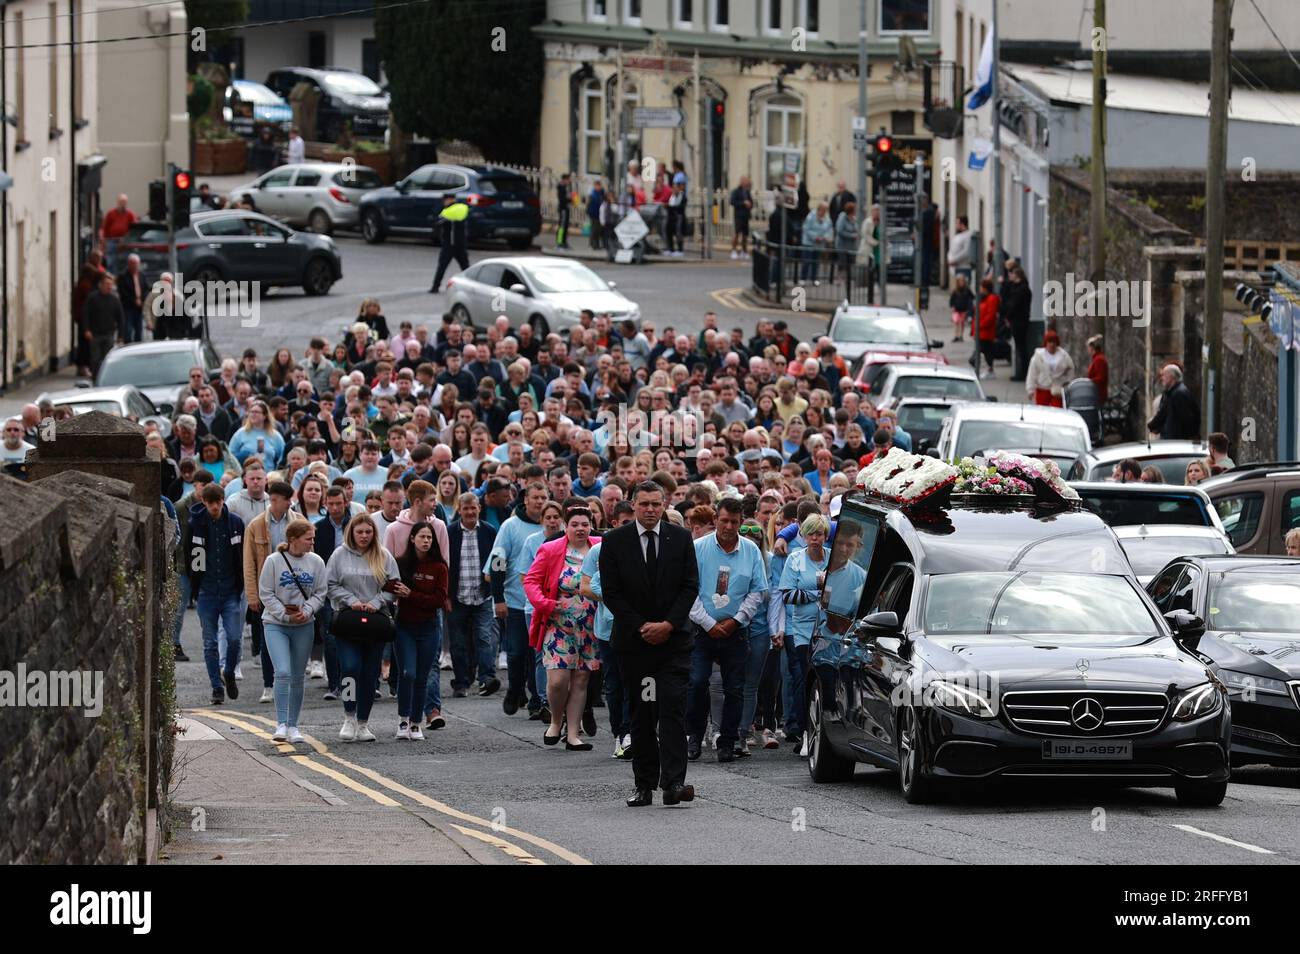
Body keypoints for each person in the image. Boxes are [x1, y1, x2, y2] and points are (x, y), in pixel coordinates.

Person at [598, 480, 700, 808]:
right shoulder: (614, 542)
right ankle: (644, 784)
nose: (651, 510)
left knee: (672, 708)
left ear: (664, 503)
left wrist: (668, 624)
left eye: (657, 504)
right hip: (636, 646)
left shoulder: (680, 538)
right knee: (643, 712)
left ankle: (673, 782)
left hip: (673, 644)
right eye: (645, 504)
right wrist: (643, 626)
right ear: (634, 504)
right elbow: (612, 593)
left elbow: (689, 586)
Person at [686, 497, 767, 763]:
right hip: (702, 628)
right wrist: (709, 623)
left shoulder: (751, 551)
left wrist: (736, 620)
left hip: (736, 629)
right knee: (697, 682)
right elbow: (688, 590)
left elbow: (758, 591)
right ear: (715, 520)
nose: (729, 526)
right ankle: (694, 736)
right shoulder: (698, 548)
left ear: (741, 522)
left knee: (735, 687)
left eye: (734, 521)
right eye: (724, 521)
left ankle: (728, 741)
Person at [525, 505, 601, 750]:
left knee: (580, 680)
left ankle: (573, 733)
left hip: (590, 625)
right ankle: (556, 721)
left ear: (591, 526)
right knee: (558, 681)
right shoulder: (550, 549)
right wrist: (545, 604)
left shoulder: (599, 547)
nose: (580, 529)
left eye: (584, 524)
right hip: (558, 625)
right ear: (565, 527)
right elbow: (531, 581)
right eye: (575, 524)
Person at [326, 514, 402, 742]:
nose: (364, 536)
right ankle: (349, 716)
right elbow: (330, 584)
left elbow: (393, 585)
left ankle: (363, 723)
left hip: (375, 621)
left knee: (370, 674)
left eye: (368, 532)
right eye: (359, 532)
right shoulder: (339, 555)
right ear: (352, 532)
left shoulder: (383, 555)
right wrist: (351, 600)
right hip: (348, 621)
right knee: (350, 668)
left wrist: (376, 602)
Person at [259, 519, 327, 743]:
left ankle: (293, 726)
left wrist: (307, 611)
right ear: (293, 540)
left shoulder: (316, 561)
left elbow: (320, 592)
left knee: (298, 676)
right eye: (309, 538)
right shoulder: (273, 561)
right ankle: (281, 723)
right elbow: (266, 593)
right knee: (283, 672)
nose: (312, 542)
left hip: (303, 625)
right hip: (275, 624)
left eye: (313, 538)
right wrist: (284, 613)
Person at [487, 481, 547, 717]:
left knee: (537, 654)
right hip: (514, 600)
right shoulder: (510, 527)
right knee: (516, 652)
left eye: (544, 497)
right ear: (526, 500)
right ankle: (514, 689)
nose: (540, 502)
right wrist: (498, 598)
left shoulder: (553, 526)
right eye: (536, 497)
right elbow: (497, 562)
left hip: (540, 604)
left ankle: (536, 700)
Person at [189, 484, 246, 705]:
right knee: (210, 643)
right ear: (204, 502)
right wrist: (197, 585)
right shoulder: (196, 525)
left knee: (234, 638)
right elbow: (192, 556)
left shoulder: (235, 524)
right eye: (210, 503)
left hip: (231, 590)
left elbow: (240, 555)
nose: (215, 507)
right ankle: (216, 686)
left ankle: (229, 671)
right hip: (207, 591)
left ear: (223, 500)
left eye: (218, 502)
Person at [777, 513, 829, 753]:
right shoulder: (795, 560)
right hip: (801, 630)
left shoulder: (833, 559)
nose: (815, 539)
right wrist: (814, 595)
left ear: (826, 536)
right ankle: (805, 731)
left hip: (829, 629)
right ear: (804, 536)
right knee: (802, 680)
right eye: (810, 534)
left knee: (825, 680)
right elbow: (787, 594)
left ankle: (825, 732)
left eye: (819, 534)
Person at [394, 523, 449, 740]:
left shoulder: (439, 567)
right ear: (412, 539)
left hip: (429, 627)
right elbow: (391, 588)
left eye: (429, 537)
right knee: (408, 672)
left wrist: (412, 595)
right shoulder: (401, 563)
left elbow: (439, 600)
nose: (426, 541)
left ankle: (416, 723)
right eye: (422, 537)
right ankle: (403, 720)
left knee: (422, 677)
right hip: (405, 626)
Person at [447, 491, 504, 698]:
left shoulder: (490, 532)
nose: (470, 512)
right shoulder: (450, 532)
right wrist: (446, 595)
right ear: (459, 510)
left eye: (473, 508)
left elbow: (499, 560)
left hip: (483, 595)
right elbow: (444, 564)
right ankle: (461, 682)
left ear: (479, 508)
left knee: (484, 637)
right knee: (458, 642)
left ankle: (487, 678)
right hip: (458, 595)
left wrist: (498, 589)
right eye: (466, 508)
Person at [84, 274, 124, 376]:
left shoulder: (114, 300)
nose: (109, 287)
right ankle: (95, 377)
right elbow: (86, 314)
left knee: (107, 358)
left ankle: (106, 377)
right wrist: (86, 329)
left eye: (111, 284)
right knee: (95, 359)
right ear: (100, 285)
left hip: (109, 333)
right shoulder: (92, 298)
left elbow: (120, 318)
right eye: (107, 284)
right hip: (95, 333)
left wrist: (120, 335)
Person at [1147, 364, 1200, 440]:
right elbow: (1162, 414)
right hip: (1171, 439)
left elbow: (1187, 419)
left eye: (1164, 375)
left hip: (1176, 440)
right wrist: (1153, 426)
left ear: (1171, 376)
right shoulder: (1172, 392)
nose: (1162, 378)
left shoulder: (1179, 393)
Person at [430, 195, 470, 292]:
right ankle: (471, 286)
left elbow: (437, 222)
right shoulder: (462, 208)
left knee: (442, 266)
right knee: (465, 267)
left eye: (445, 200)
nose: (444, 202)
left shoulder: (447, 211)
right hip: (461, 243)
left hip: (449, 244)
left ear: (450, 200)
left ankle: (435, 287)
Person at [1025, 330, 1074, 406]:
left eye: (1054, 342)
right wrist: (1030, 389)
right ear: (1046, 343)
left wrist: (1067, 383)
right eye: (1050, 342)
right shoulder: (1038, 357)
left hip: (1057, 389)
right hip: (1042, 389)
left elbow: (1071, 370)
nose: (1052, 344)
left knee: (1058, 411)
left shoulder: (1064, 356)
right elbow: (1032, 373)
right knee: (1042, 412)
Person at [1003, 266, 1033, 381]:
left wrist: (1008, 317)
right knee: (1020, 348)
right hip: (1020, 320)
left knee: (1021, 348)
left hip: (1019, 321)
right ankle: (1022, 372)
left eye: (1012, 274)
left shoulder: (1021, 290)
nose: (1010, 276)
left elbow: (1013, 305)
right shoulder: (1021, 288)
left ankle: (1023, 373)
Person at [100, 193, 136, 272]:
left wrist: (126, 240)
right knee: (111, 263)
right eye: (121, 202)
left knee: (124, 263)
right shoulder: (111, 213)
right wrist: (104, 242)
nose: (122, 204)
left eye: (124, 202)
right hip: (111, 241)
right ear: (117, 202)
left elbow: (133, 230)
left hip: (125, 243)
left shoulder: (130, 215)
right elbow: (105, 228)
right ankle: (111, 281)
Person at [117, 254, 147, 344]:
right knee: (128, 330)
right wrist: (134, 301)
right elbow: (123, 292)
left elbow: (146, 289)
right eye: (133, 264)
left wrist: (142, 300)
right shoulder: (123, 276)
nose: (135, 266)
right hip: (128, 307)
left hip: (139, 308)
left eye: (136, 264)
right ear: (129, 264)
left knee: (139, 331)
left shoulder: (142, 275)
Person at [800, 201, 833, 283]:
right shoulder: (811, 216)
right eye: (823, 210)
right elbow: (806, 229)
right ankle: (803, 278)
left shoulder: (827, 218)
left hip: (820, 244)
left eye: (826, 210)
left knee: (816, 262)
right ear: (819, 209)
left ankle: (814, 279)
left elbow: (829, 230)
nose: (824, 212)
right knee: (807, 261)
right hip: (809, 243)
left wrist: (826, 237)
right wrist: (815, 237)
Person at [975, 278, 1000, 379]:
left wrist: (980, 325)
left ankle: (989, 369)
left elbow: (991, 315)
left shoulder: (991, 298)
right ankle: (988, 369)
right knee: (985, 351)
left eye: (981, 288)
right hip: (982, 331)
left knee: (985, 351)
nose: (980, 290)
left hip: (986, 331)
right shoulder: (984, 298)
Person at [729, 176, 754, 259]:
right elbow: (732, 202)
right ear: (741, 181)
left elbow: (751, 202)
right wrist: (743, 203)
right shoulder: (736, 191)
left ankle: (744, 251)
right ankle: (733, 250)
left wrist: (750, 204)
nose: (746, 182)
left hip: (746, 216)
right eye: (745, 181)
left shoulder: (747, 192)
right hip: (738, 215)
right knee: (737, 233)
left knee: (745, 235)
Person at [948, 273, 974, 343]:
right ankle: (956, 335)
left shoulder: (967, 290)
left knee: (962, 323)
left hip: (964, 309)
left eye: (962, 281)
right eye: (960, 281)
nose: (961, 283)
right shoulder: (955, 291)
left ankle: (961, 336)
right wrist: (952, 306)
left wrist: (969, 305)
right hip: (957, 309)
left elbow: (972, 297)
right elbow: (952, 299)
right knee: (956, 322)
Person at [947, 215, 973, 283]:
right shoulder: (957, 236)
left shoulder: (968, 235)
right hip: (956, 268)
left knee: (963, 288)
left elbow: (966, 252)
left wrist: (954, 260)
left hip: (964, 267)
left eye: (957, 223)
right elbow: (951, 250)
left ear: (962, 224)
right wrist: (950, 259)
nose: (955, 225)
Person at [1086, 335, 1109, 405]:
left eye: (1088, 347)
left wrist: (1088, 381)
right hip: (1095, 392)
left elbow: (1101, 378)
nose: (1087, 349)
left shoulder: (1099, 359)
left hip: (1098, 395)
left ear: (1092, 348)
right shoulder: (1097, 358)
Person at [587, 178, 605, 250]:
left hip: (599, 214)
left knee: (598, 230)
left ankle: (596, 244)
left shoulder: (601, 193)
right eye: (596, 185)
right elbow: (591, 204)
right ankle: (593, 244)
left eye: (599, 185)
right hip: (594, 213)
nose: (598, 187)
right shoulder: (593, 194)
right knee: (594, 229)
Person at [555, 172, 572, 249]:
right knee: (562, 226)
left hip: (566, 208)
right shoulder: (561, 187)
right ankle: (559, 242)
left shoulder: (566, 187)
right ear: (565, 179)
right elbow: (562, 199)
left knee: (565, 226)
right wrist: (570, 199)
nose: (569, 181)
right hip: (563, 209)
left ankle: (564, 242)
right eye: (568, 179)